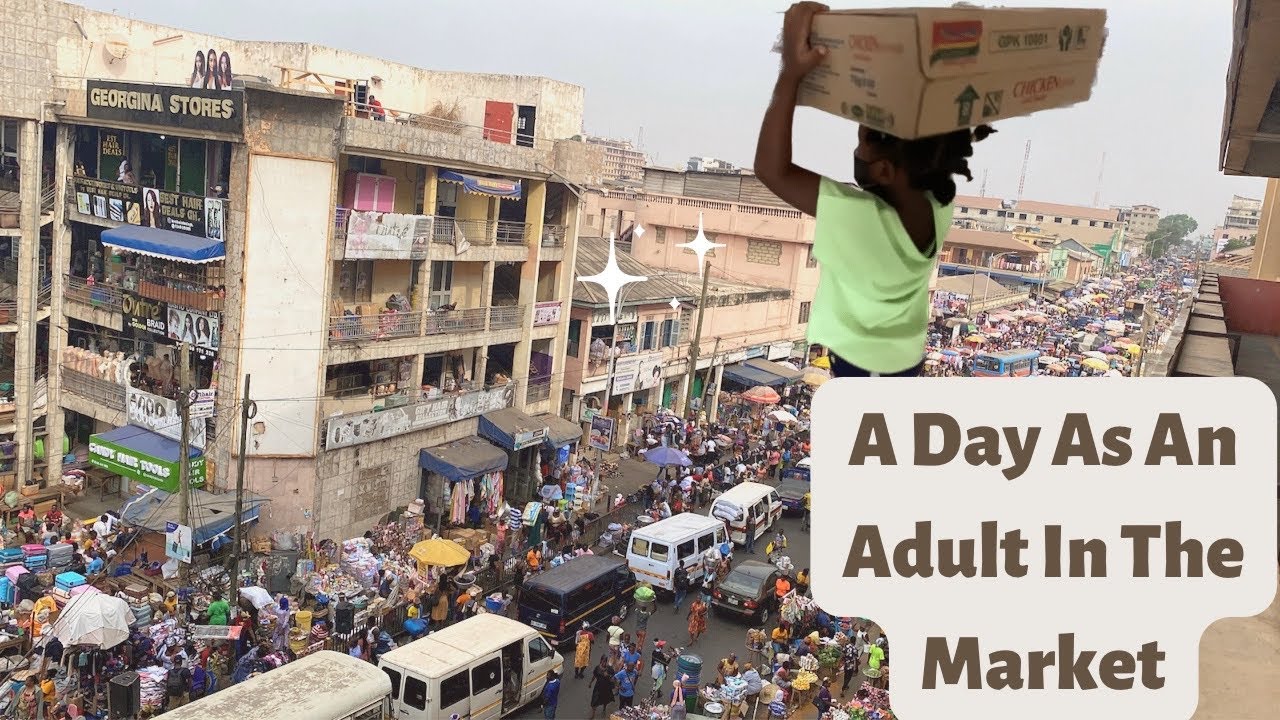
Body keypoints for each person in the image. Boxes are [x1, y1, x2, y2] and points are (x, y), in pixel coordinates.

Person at [755, 2, 995, 379]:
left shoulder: (862, 217)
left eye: (862, 142)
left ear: (884, 169)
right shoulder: (937, 205)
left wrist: (791, 74)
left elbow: (772, 170)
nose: (856, 152)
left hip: (867, 368)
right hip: (902, 358)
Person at [587, 655, 614, 720]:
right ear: (601, 660)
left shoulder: (609, 668)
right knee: (594, 700)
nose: (604, 663)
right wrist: (590, 683)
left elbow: (613, 677)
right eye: (603, 661)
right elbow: (594, 675)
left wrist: (608, 675)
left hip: (606, 687)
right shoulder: (597, 668)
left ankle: (604, 708)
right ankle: (593, 715)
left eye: (605, 661)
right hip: (598, 687)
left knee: (605, 699)